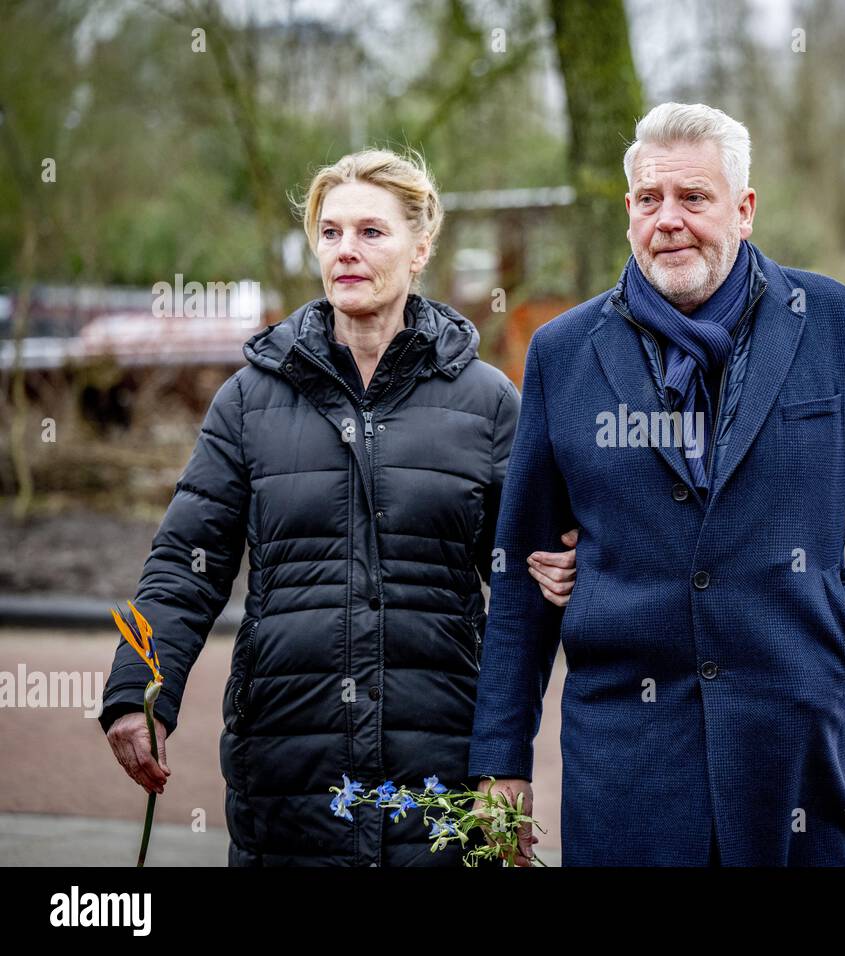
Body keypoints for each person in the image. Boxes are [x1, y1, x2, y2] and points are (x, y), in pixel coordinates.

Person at [470, 103, 845, 866]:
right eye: (650, 200)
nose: (669, 221)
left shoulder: (836, 324)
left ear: (744, 210)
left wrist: (842, 624)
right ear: (629, 212)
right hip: (627, 766)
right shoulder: (563, 353)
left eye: (694, 199)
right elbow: (522, 571)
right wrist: (501, 762)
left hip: (795, 754)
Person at [100, 147, 570, 866]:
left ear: (421, 248)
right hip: (288, 776)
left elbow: (521, 596)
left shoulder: (489, 405)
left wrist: (505, 758)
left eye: (371, 233)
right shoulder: (249, 402)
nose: (346, 250)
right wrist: (139, 689)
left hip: (438, 778)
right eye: (331, 232)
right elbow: (184, 566)